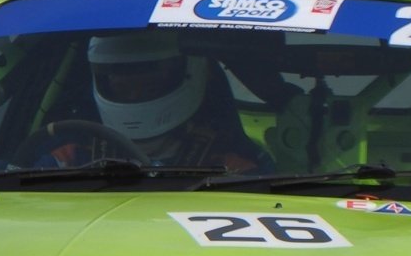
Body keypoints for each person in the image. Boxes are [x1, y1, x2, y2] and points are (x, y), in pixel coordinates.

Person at [42, 31, 267, 173]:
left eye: (148, 87)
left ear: (192, 74)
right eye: (123, 87)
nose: (134, 94)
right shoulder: (70, 158)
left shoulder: (232, 165)